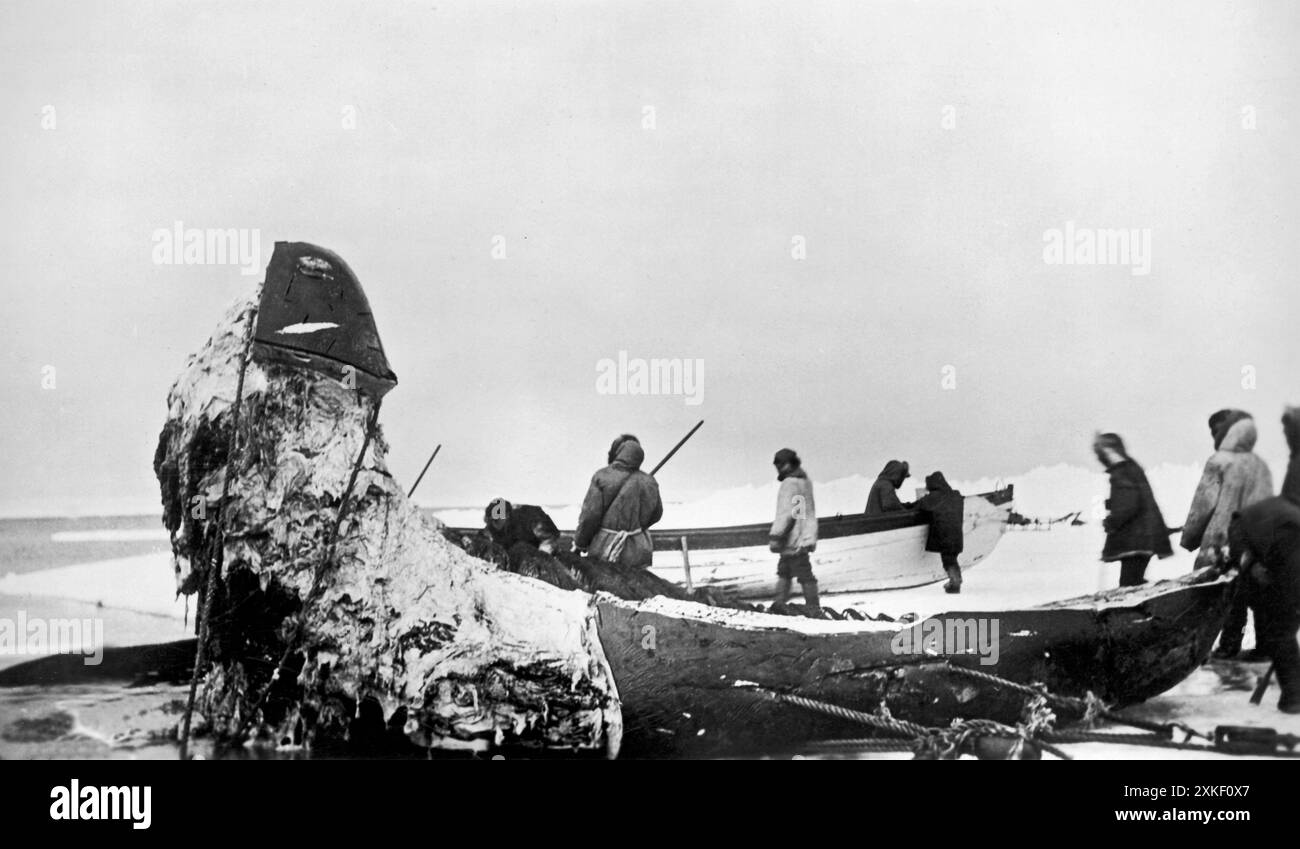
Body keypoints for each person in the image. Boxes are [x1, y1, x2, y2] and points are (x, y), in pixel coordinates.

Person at [1180, 410, 1274, 659]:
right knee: (1255, 593)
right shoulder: (1260, 464)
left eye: (1215, 430)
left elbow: (1203, 505)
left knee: (1226, 594)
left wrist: (1189, 538)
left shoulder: (1219, 461)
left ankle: (1228, 646)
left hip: (1222, 540)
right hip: (1255, 542)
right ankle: (1264, 647)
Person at [1228, 407, 1300, 712]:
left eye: (1288, 431)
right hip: (1288, 546)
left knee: (1280, 629)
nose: (1284, 437)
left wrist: (1256, 567)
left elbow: (1250, 557)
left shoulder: (1243, 526)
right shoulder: (1294, 463)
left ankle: (1295, 698)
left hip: (1291, 550)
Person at [1094, 432, 1173, 587]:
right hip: (1144, 538)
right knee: (1133, 582)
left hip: (1135, 540)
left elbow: (1128, 505)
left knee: (1129, 584)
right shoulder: (1130, 468)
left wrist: (1111, 522)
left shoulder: (1121, 471)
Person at [574, 434, 663, 568]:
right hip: (638, 547)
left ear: (617, 452)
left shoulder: (602, 476)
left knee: (603, 587)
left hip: (605, 546)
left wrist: (580, 543)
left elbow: (590, 516)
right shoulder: (649, 481)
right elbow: (657, 514)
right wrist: (636, 527)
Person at [768, 448, 819, 612]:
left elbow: (787, 513)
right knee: (785, 571)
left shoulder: (789, 484)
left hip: (792, 539)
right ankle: (780, 604)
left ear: (787, 464)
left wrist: (776, 536)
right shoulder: (805, 482)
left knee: (801, 573)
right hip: (804, 535)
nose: (778, 469)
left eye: (779, 465)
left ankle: (813, 607)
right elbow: (801, 512)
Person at [916, 471, 965, 593]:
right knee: (952, 559)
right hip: (957, 535)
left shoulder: (934, 498)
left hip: (944, 536)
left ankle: (955, 583)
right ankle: (955, 580)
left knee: (948, 561)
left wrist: (924, 496)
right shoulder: (955, 495)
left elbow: (921, 505)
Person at [483, 498, 562, 554]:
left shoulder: (530, 518)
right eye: (490, 521)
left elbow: (549, 539)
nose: (493, 524)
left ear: (507, 515)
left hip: (539, 548)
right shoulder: (493, 527)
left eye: (496, 521)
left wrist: (541, 555)